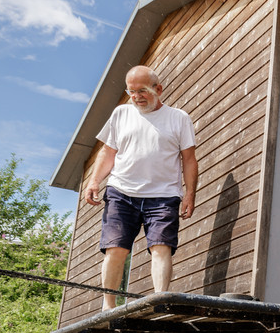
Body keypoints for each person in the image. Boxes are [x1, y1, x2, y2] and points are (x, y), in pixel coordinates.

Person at [84, 65, 198, 311]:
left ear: (158, 89)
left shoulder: (179, 118)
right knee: (115, 248)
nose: (136, 97)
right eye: (131, 91)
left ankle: (160, 301)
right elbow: (108, 152)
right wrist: (94, 181)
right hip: (121, 192)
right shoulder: (121, 114)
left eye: (142, 91)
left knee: (161, 246)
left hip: (164, 195)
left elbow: (189, 159)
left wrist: (189, 193)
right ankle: (108, 307)